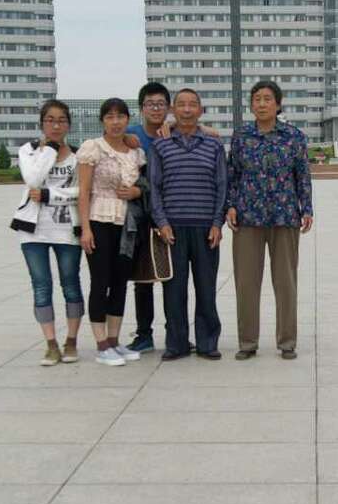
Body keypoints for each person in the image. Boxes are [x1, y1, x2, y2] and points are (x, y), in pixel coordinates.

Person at [227, 79, 313, 360]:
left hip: (284, 215)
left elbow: (302, 175)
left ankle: (287, 342)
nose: (261, 104)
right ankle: (247, 342)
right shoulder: (241, 137)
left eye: (267, 99)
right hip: (248, 218)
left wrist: (307, 208)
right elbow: (233, 175)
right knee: (246, 283)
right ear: (251, 105)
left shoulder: (293, 136)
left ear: (277, 104)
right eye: (256, 99)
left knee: (286, 282)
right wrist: (229, 206)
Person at [149, 86, 228, 360]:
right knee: (174, 290)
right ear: (173, 110)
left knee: (206, 287)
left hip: (206, 228)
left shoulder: (214, 145)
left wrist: (218, 223)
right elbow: (154, 188)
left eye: (192, 104)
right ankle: (177, 344)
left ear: (200, 111)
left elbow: (222, 186)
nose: (186, 109)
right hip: (172, 229)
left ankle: (207, 343)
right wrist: (161, 222)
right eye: (180, 104)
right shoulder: (160, 146)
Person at [76, 98, 147, 364]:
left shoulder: (135, 152)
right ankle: (101, 344)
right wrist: (85, 229)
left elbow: (144, 183)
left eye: (120, 116)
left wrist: (138, 191)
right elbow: (83, 191)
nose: (115, 122)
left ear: (128, 119)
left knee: (120, 282)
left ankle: (115, 341)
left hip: (127, 223)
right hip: (98, 220)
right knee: (100, 281)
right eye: (110, 117)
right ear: (102, 120)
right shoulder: (92, 148)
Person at [14, 100, 83, 365]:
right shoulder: (29, 151)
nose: (56, 125)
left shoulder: (78, 156)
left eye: (61, 120)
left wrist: (49, 194)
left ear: (68, 124)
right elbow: (32, 179)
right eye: (50, 120)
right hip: (33, 231)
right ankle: (51, 344)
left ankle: (72, 341)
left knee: (71, 284)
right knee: (41, 286)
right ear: (42, 123)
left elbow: (81, 193)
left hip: (67, 230)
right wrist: (50, 149)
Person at [123, 82, 170, 354]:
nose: (155, 108)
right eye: (150, 104)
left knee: (171, 278)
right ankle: (144, 334)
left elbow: (209, 131)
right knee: (143, 279)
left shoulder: (173, 132)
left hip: (169, 212)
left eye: (161, 104)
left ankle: (176, 331)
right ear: (142, 109)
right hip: (140, 214)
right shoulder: (132, 134)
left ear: (168, 108)